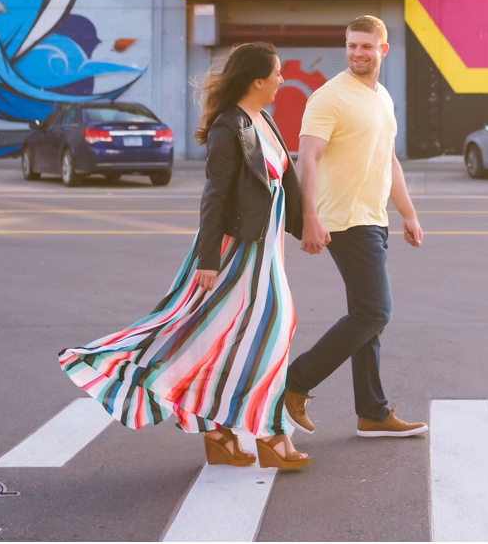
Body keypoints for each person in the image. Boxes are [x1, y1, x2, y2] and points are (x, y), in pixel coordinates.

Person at [58, 42, 311, 470]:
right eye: (277, 74)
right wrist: (208, 260)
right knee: (266, 330)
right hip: (236, 254)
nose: (282, 80)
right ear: (256, 80)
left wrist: (308, 228)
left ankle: (219, 433)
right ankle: (269, 433)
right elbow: (214, 197)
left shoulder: (263, 120)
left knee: (224, 338)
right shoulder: (228, 127)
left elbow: (285, 183)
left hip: (265, 251)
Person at [283, 15, 428, 439]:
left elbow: (388, 160)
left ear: (383, 50)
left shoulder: (382, 97)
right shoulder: (329, 98)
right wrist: (310, 216)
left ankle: (372, 412)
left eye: (367, 46)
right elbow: (306, 158)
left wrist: (408, 212)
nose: (358, 53)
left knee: (367, 318)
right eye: (351, 45)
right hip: (344, 220)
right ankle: (295, 382)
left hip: (373, 217)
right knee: (374, 310)